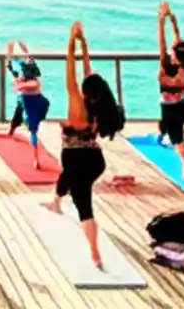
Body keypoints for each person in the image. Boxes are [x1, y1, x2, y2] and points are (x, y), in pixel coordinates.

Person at [44, 21, 124, 270]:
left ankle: (95, 252)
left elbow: (70, 71)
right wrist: (83, 44)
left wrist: (71, 42)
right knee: (70, 181)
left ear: (86, 90)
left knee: (83, 204)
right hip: (95, 160)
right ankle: (56, 202)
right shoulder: (101, 108)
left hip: (75, 157)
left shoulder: (76, 100)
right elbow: (88, 75)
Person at [156, 1, 184, 180]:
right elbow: (177, 41)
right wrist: (172, 20)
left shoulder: (164, 65)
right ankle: (164, 132)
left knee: (178, 140)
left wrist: (161, 21)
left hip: (170, 109)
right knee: (167, 127)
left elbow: (162, 42)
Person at [5, 40, 51, 169]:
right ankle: (11, 130)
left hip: (34, 100)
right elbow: (11, 61)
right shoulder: (16, 65)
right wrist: (12, 47)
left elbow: (35, 83)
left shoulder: (31, 67)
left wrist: (21, 85)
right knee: (18, 113)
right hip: (24, 98)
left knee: (32, 128)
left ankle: (36, 158)